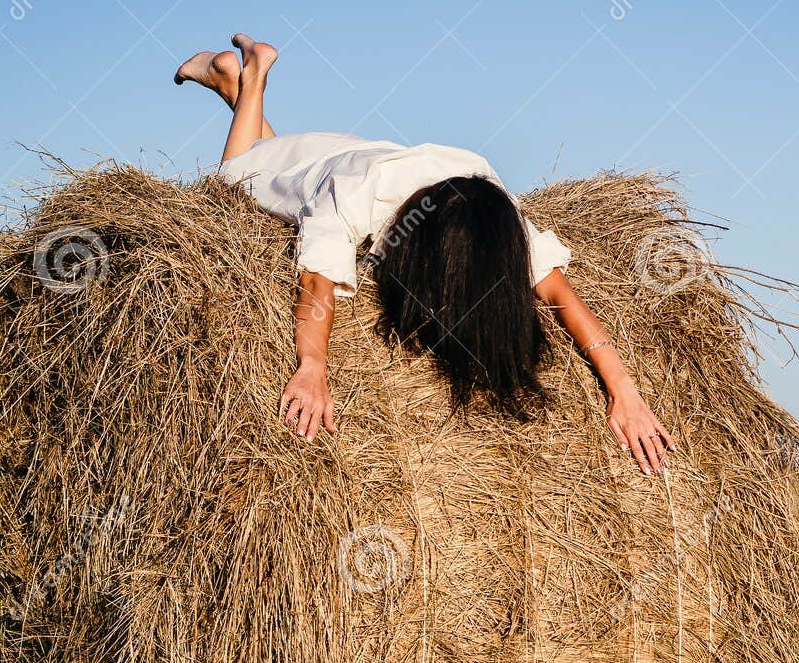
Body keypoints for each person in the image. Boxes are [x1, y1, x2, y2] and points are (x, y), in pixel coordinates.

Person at [175, 35, 675, 475]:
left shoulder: (491, 215)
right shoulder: (352, 198)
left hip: (375, 153)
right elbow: (317, 280)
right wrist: (312, 366)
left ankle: (234, 84)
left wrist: (624, 389)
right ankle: (251, 72)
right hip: (337, 168)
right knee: (237, 175)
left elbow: (562, 294)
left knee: (269, 151)